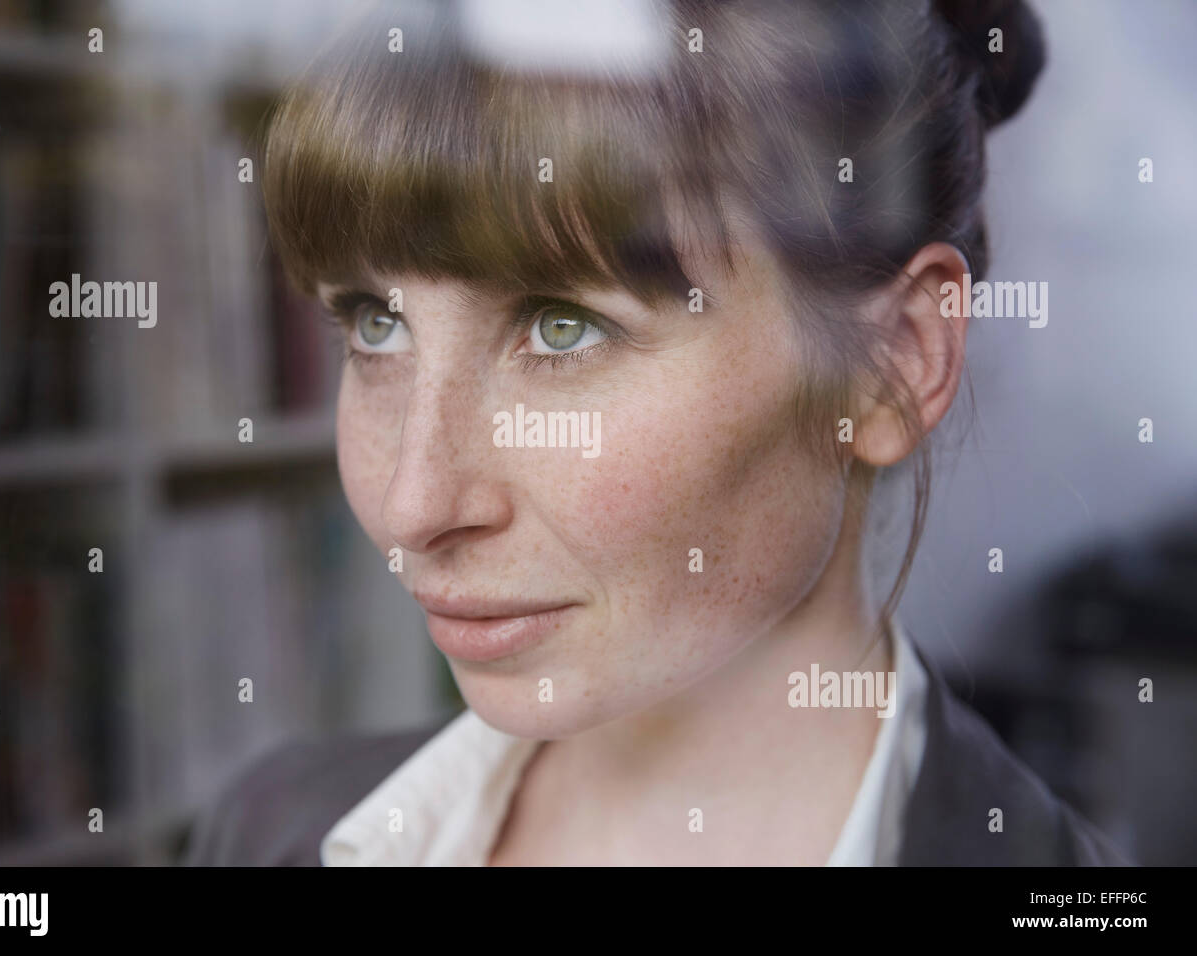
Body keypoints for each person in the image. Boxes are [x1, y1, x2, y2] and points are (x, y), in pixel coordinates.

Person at [185, 0, 1130, 866]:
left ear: (892, 363)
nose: (413, 506)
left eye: (564, 327)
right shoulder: (268, 835)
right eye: (374, 323)